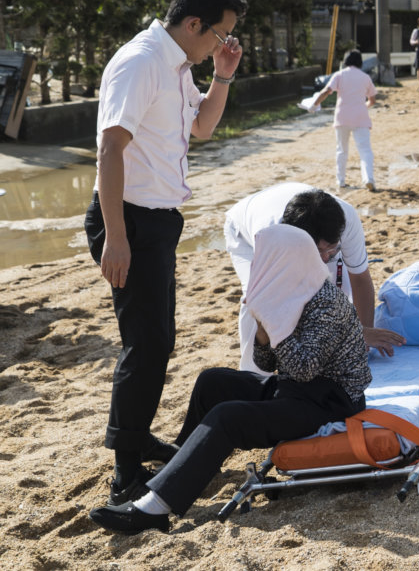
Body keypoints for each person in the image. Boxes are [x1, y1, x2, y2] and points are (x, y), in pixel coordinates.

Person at [88, 223, 371, 534]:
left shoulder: (326, 302)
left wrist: (273, 326)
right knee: (213, 382)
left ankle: (153, 509)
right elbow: (267, 363)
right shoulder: (296, 289)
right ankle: (177, 472)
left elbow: (304, 367)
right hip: (298, 390)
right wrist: (263, 332)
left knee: (228, 417)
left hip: (330, 404)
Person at [82, 0, 246, 509]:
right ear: (193, 23)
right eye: (220, 36)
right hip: (127, 219)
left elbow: (200, 128)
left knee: (158, 340)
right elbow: (110, 150)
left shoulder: (178, 64)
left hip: (157, 220)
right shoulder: (141, 61)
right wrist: (117, 237)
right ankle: (126, 470)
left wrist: (222, 76)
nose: (221, 45)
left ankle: (134, 440)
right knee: (146, 344)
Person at [224, 182, 404, 372]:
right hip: (243, 229)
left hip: (300, 208)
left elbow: (359, 279)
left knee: (334, 286)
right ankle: (252, 372)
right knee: (257, 300)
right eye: (318, 251)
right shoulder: (273, 235)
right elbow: (274, 301)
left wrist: (362, 337)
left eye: (331, 248)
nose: (325, 257)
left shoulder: (347, 219)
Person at [308, 50, 377, 191]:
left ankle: (341, 181)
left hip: (342, 116)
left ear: (345, 61)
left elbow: (326, 91)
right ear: (360, 62)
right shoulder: (365, 77)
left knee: (341, 150)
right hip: (360, 117)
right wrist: (363, 107)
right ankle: (368, 178)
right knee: (365, 150)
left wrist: (314, 105)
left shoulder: (339, 75)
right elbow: (372, 100)